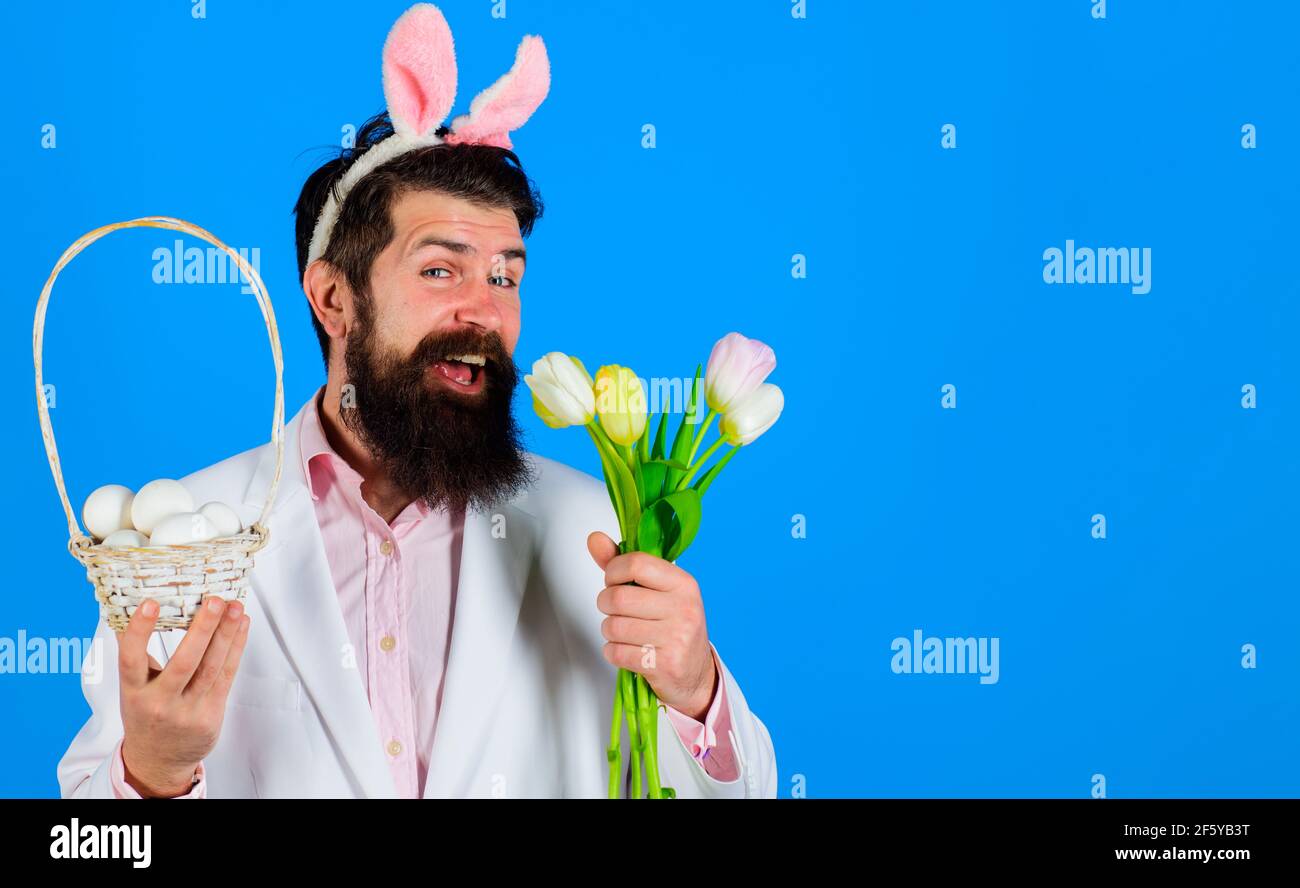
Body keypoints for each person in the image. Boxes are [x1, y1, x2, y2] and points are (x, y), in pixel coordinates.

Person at [56, 3, 776, 799]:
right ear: (333, 299)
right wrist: (151, 773)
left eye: (506, 275)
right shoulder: (181, 540)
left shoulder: (596, 529)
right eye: (441, 270)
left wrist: (694, 693)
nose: (486, 310)